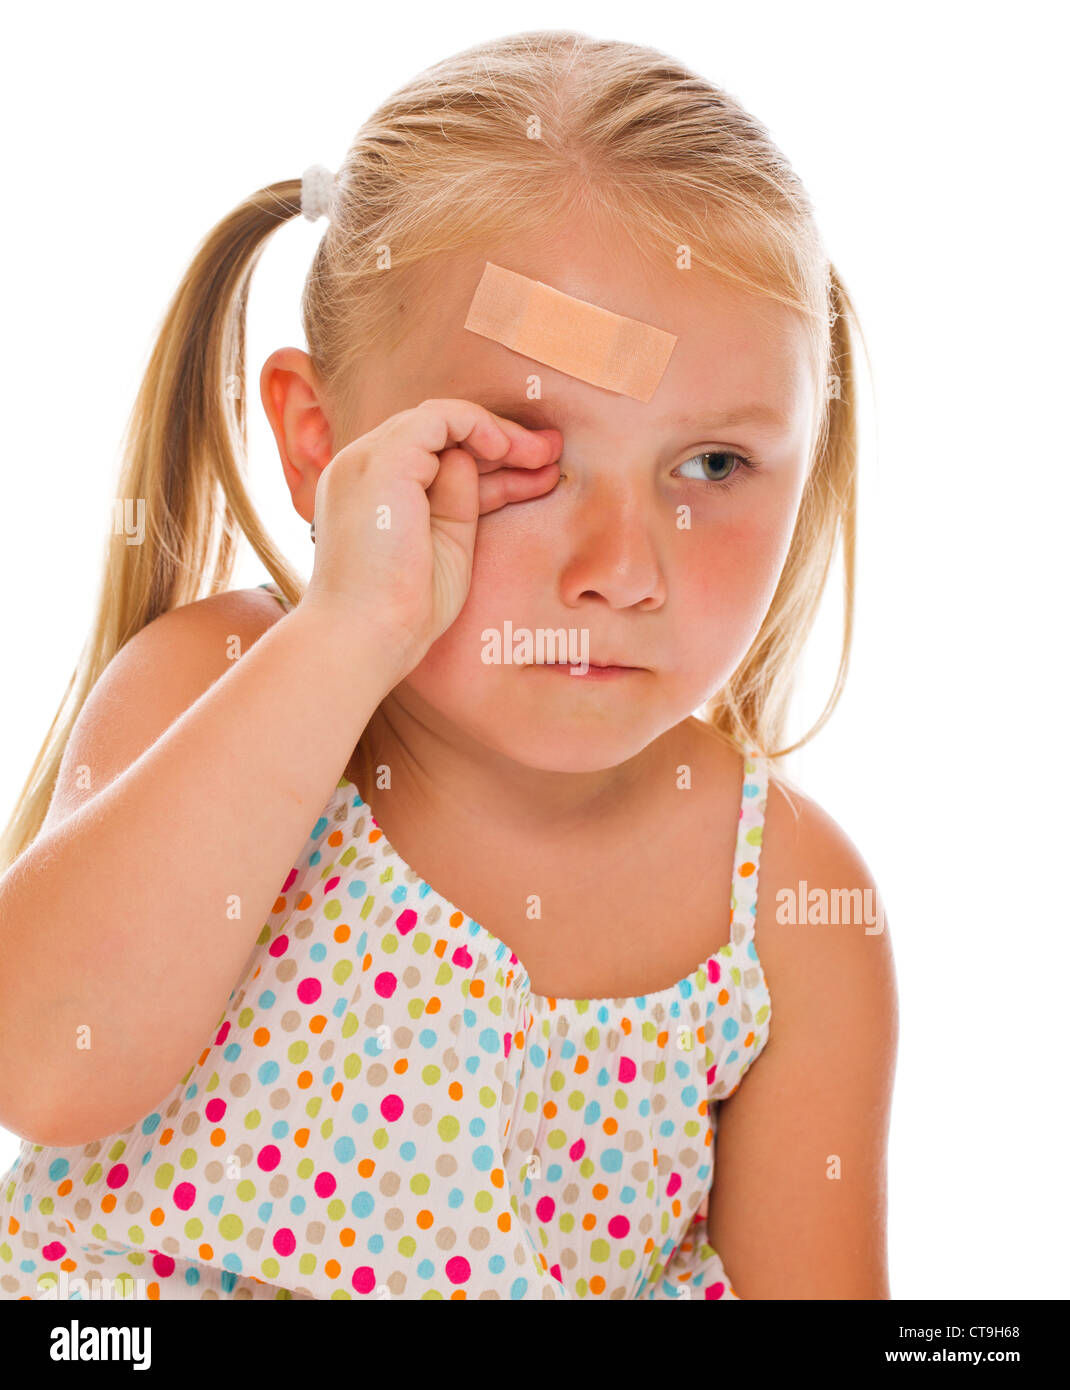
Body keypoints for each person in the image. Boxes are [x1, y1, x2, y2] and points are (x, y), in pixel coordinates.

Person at [0, 29, 897, 1301]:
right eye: (522, 450)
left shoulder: (784, 903)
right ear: (323, 446)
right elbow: (43, 1063)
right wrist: (344, 640)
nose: (621, 567)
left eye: (711, 466)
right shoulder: (223, 684)